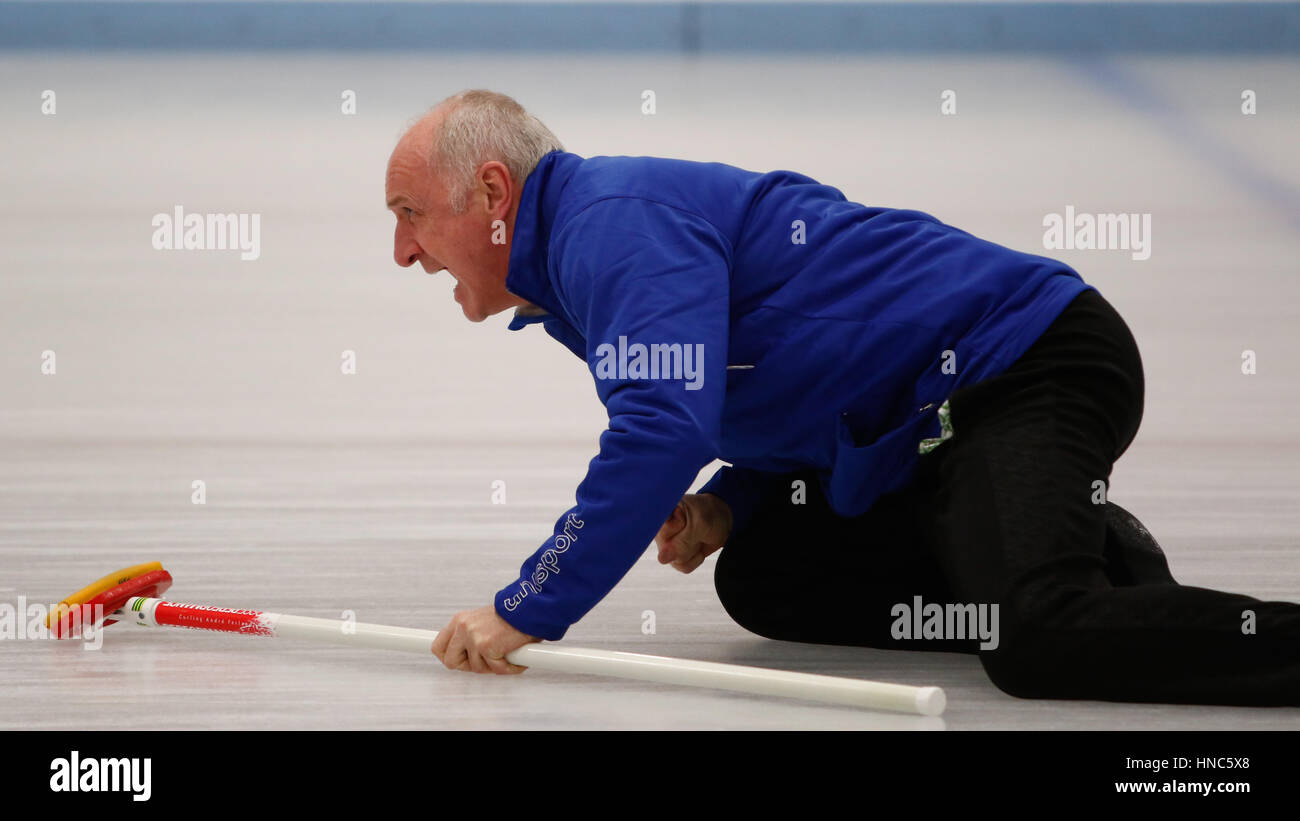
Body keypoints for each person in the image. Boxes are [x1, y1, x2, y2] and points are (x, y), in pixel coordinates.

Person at [389, 89, 1300, 705]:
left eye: (410, 215)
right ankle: (1075, 545)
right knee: (766, 573)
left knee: (1037, 637)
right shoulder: (585, 248)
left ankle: (1061, 568)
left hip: (1025, 364)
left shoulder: (608, 223)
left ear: (494, 191)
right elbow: (795, 376)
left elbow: (663, 425)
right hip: (924, 420)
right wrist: (730, 499)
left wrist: (526, 606)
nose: (404, 252)